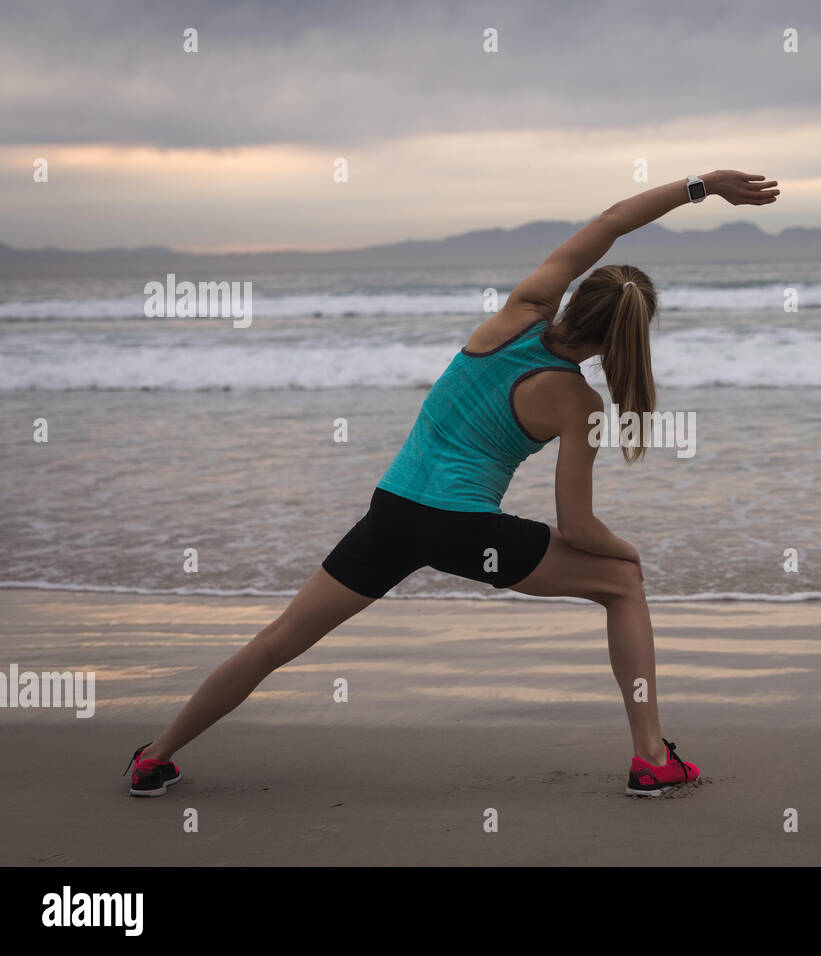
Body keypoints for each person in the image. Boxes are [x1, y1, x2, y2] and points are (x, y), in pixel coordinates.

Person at [123, 168, 780, 798]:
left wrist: (703, 186)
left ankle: (155, 757)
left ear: (579, 297)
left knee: (279, 641)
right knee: (623, 585)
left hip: (392, 512)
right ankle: (652, 760)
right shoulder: (581, 407)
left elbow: (611, 222)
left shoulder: (521, 311)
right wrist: (624, 552)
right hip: (464, 529)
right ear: (629, 339)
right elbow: (578, 528)